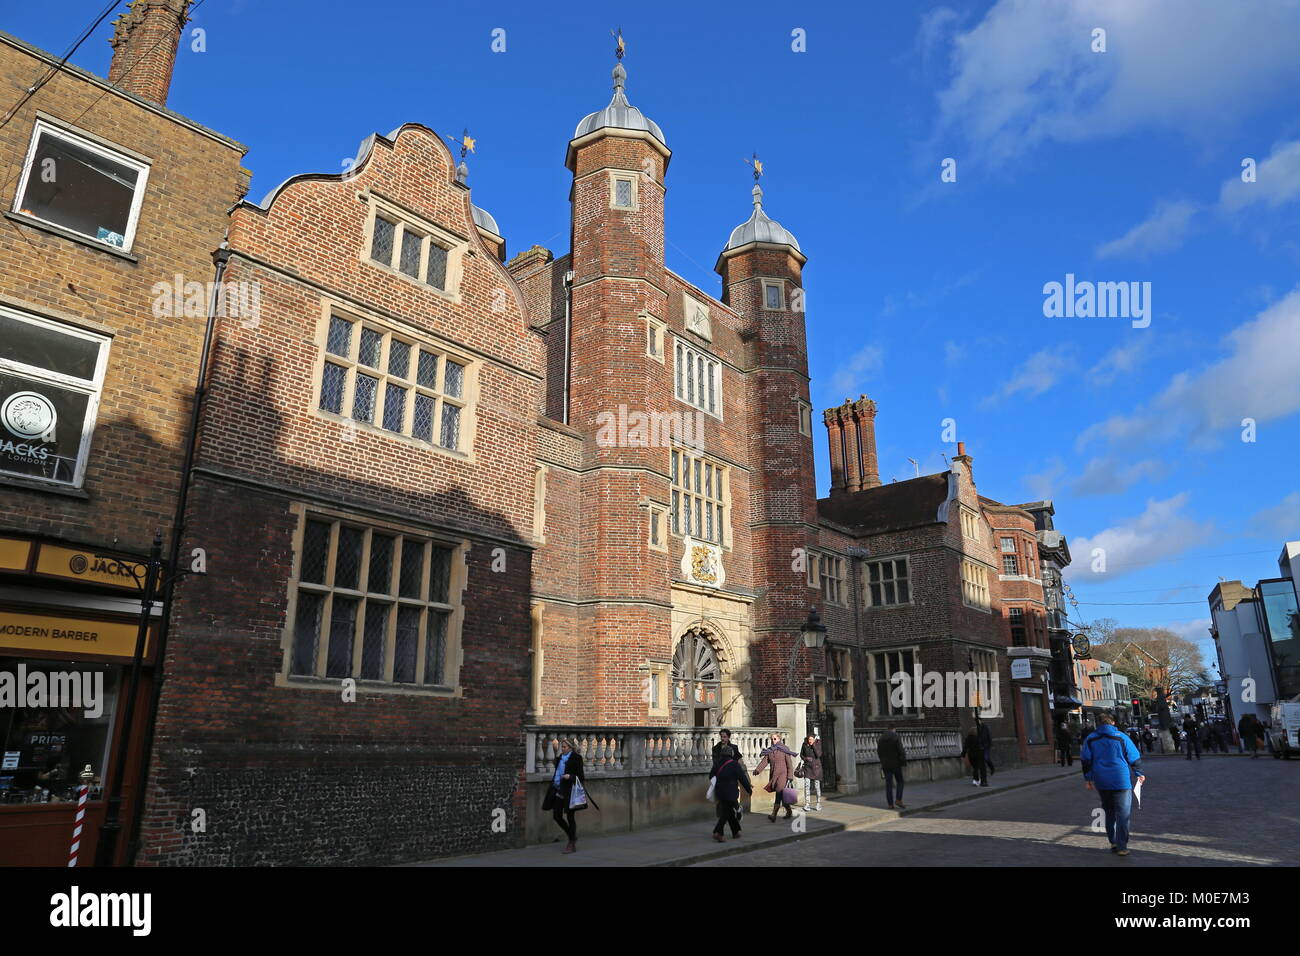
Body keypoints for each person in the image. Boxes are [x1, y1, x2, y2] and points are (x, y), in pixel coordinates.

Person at [1080, 712, 1145, 857]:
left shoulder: (1090, 739)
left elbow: (1085, 760)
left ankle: (1113, 841)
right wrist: (1139, 773)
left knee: (1109, 812)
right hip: (1121, 780)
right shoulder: (1121, 737)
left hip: (1101, 781)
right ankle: (1122, 846)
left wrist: (1088, 779)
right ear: (1113, 723)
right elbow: (1133, 757)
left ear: (1098, 724)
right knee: (1123, 814)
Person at [542, 738, 593, 854]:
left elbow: (581, 777)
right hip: (557, 790)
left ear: (570, 748)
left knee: (570, 817)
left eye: (564, 747)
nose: (562, 749)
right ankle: (572, 836)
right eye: (562, 747)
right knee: (556, 816)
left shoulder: (576, 758)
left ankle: (571, 843)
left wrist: (570, 776)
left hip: (569, 792)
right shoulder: (559, 758)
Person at [710, 747, 752, 842]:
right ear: (731, 754)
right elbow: (742, 778)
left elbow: (711, 776)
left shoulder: (717, 764)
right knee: (726, 813)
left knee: (729, 812)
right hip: (730, 792)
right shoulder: (734, 764)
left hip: (719, 792)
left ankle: (735, 831)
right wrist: (748, 789)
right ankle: (718, 832)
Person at [753, 732, 798, 821]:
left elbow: (789, 764)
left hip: (783, 775)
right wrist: (758, 770)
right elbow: (764, 761)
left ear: (779, 739)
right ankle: (789, 811)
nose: (773, 741)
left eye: (775, 739)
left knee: (779, 792)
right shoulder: (770, 750)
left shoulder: (784, 749)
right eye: (772, 739)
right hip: (774, 774)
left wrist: (790, 776)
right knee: (782, 795)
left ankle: (773, 814)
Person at [877, 725, 907, 809]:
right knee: (900, 781)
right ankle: (898, 800)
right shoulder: (896, 737)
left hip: (886, 765)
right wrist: (903, 762)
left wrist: (882, 761)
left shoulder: (881, 738)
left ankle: (890, 804)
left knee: (888, 784)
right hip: (896, 764)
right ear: (894, 729)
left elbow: (879, 752)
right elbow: (901, 750)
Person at [798, 734, 823, 811]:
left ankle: (818, 803)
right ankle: (807, 804)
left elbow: (818, 754)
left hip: (816, 768)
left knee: (817, 786)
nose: (810, 741)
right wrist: (805, 758)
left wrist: (814, 745)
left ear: (814, 739)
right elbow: (801, 754)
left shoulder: (818, 744)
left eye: (811, 739)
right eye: (809, 739)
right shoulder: (805, 744)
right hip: (807, 768)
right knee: (807, 786)